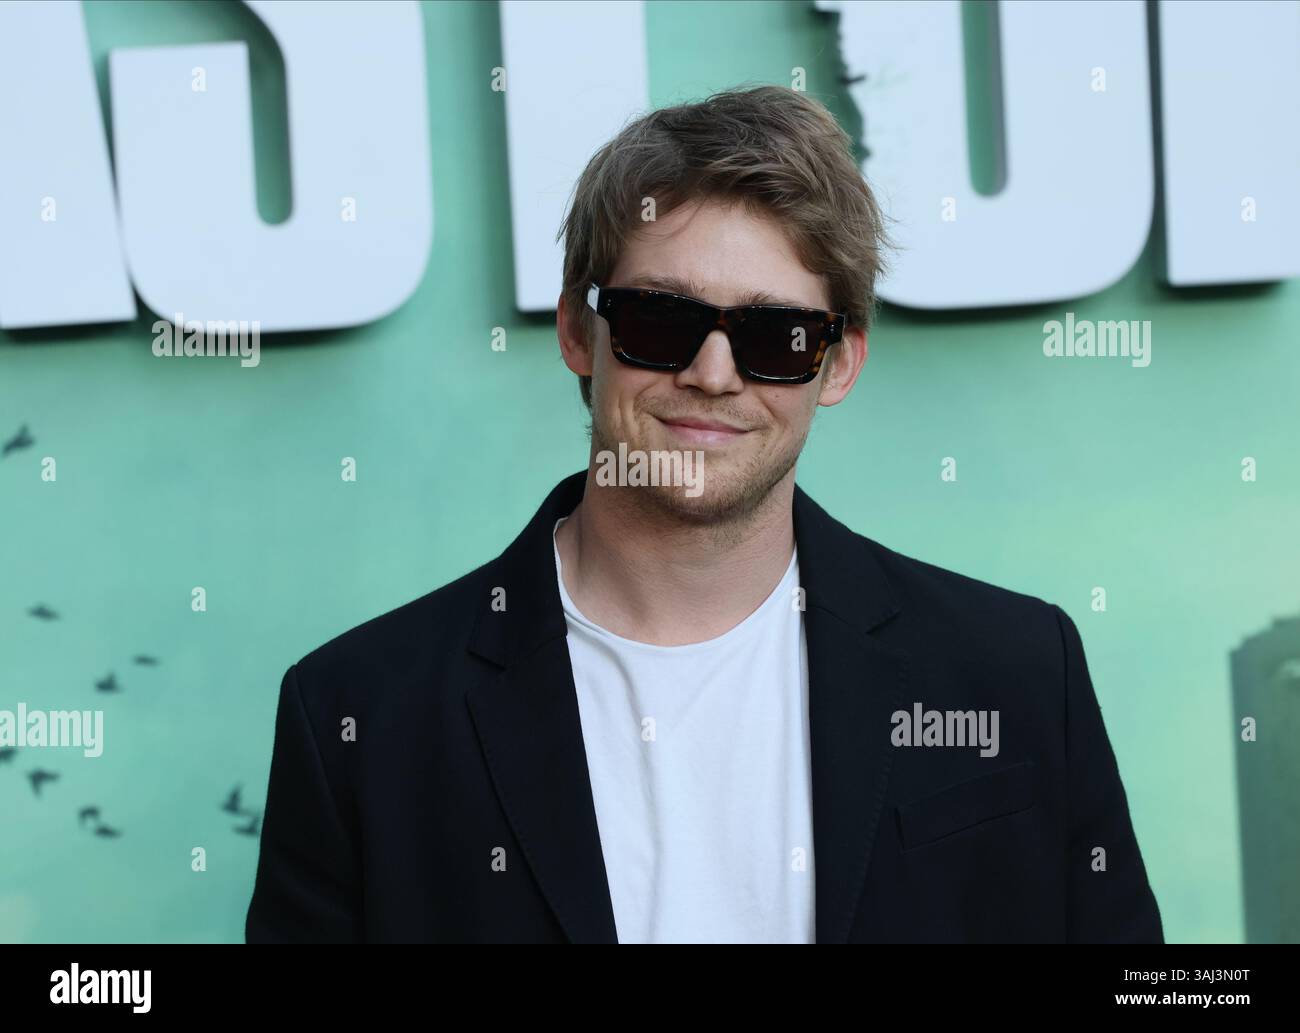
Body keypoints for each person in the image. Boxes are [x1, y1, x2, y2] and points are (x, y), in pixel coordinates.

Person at [245, 84, 1162, 943]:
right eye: (659, 320)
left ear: (836, 365)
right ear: (577, 329)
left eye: (775, 337)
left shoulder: (1016, 671)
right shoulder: (359, 716)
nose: (713, 374)